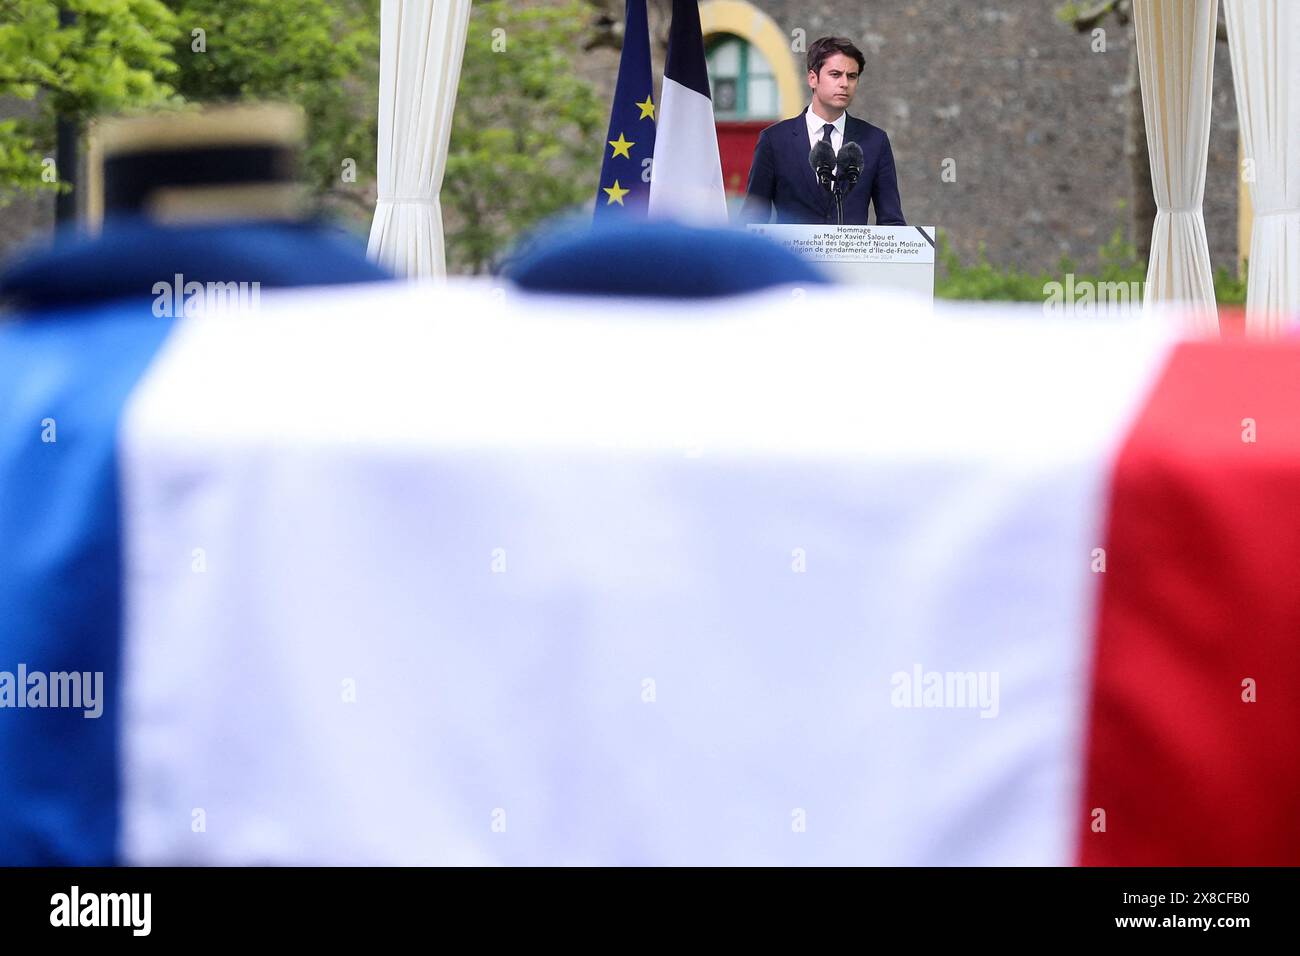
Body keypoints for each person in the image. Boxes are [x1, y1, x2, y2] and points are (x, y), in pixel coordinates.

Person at [740, 36, 906, 226]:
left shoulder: (875, 141)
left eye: (852, 76)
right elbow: (753, 218)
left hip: (852, 256)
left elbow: (892, 221)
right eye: (835, 74)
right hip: (792, 255)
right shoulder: (775, 140)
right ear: (812, 79)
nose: (845, 83)